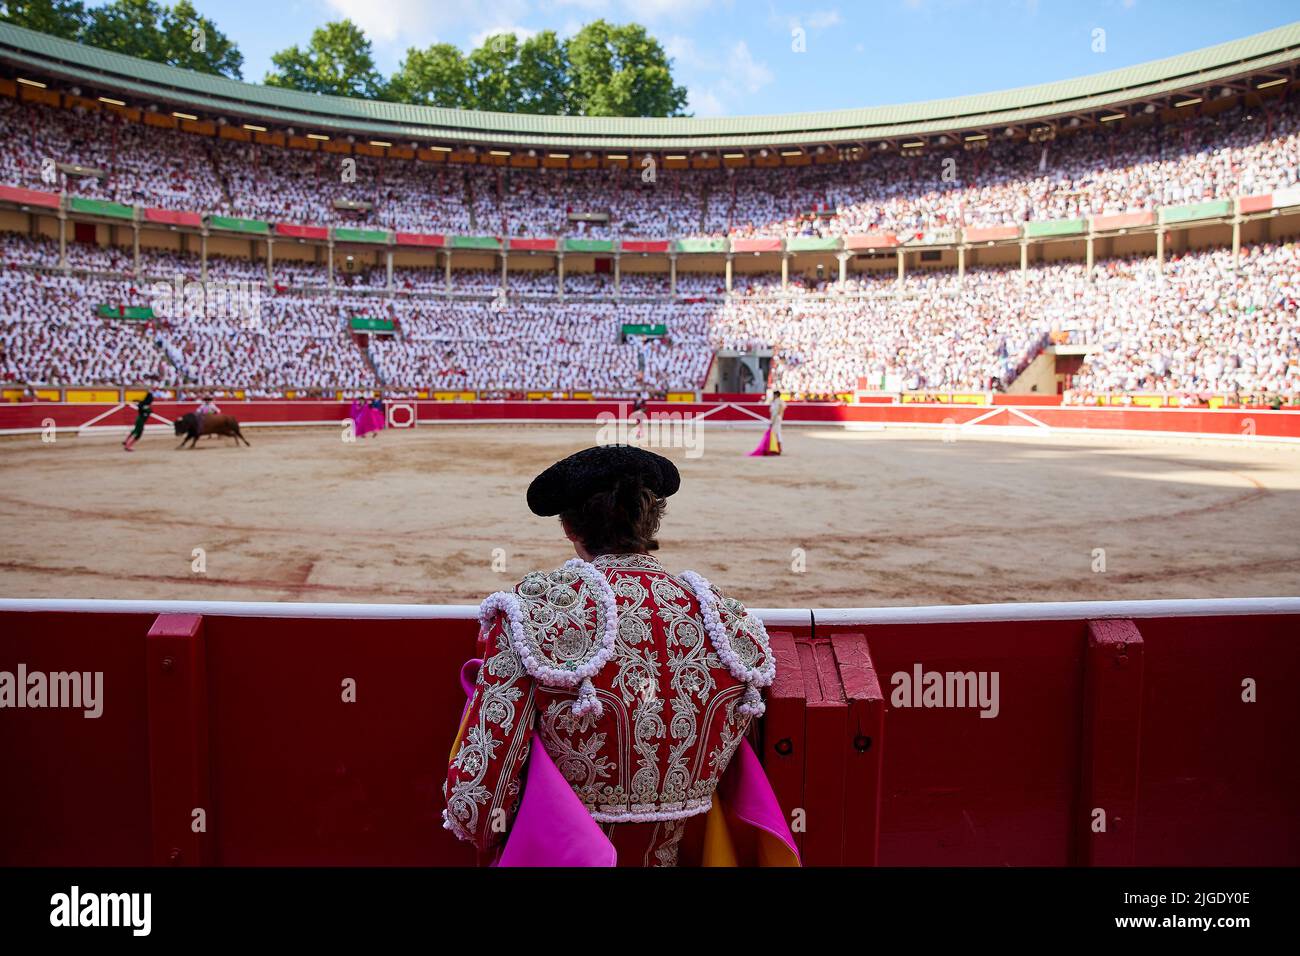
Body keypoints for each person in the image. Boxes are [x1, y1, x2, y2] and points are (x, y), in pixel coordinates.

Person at [443, 445, 796, 867]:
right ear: (651, 521)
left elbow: (475, 808)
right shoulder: (721, 617)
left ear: (569, 528)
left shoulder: (538, 612)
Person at [748, 389, 785, 457]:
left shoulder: (778, 402)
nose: (773, 396)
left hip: (776, 419)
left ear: (776, 395)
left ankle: (778, 449)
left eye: (774, 395)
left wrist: (773, 421)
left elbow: (777, 412)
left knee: (776, 433)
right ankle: (777, 448)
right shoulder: (776, 402)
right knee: (776, 433)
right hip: (776, 419)